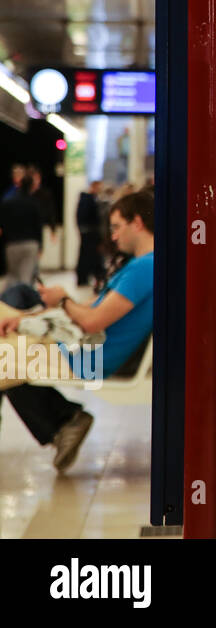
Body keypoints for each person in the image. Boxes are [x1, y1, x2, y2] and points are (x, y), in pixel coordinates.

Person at [0, 189, 158, 471]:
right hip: (80, 346)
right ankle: (63, 421)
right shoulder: (143, 266)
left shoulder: (145, 269)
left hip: (86, 356)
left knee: (4, 359)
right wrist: (37, 315)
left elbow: (92, 322)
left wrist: (61, 299)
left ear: (138, 224)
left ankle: (64, 420)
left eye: (117, 227)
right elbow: (90, 311)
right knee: (12, 311)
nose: (112, 236)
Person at [0, 173, 43, 287]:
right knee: (26, 276)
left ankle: (10, 301)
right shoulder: (33, 202)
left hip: (12, 244)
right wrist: (40, 246)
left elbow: (3, 224)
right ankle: (22, 301)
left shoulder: (8, 201)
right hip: (30, 243)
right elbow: (38, 225)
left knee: (12, 276)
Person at [76, 180, 106, 287]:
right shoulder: (88, 200)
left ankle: (87, 277)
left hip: (89, 233)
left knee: (89, 256)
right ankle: (85, 278)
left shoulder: (88, 199)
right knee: (89, 256)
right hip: (90, 233)